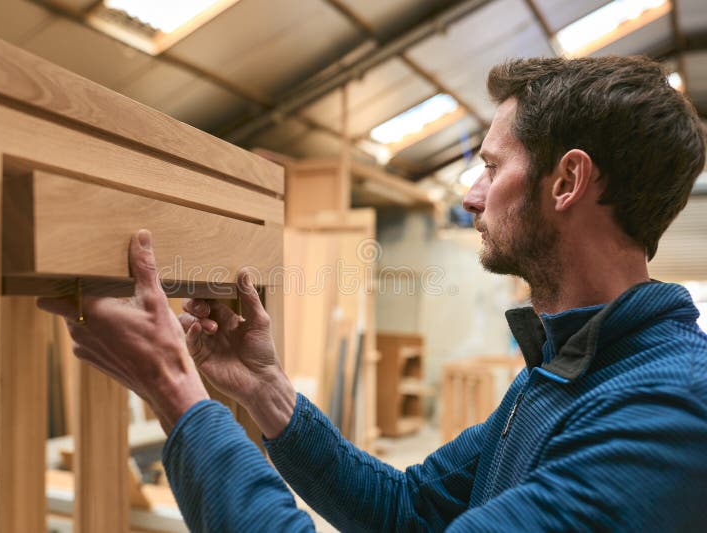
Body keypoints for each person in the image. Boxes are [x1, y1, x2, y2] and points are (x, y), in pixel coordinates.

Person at [38, 56, 707, 532]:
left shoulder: (664, 411)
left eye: (493, 167)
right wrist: (266, 390)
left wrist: (177, 394)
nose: (470, 196)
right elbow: (406, 506)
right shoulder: (566, 371)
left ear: (566, 182)